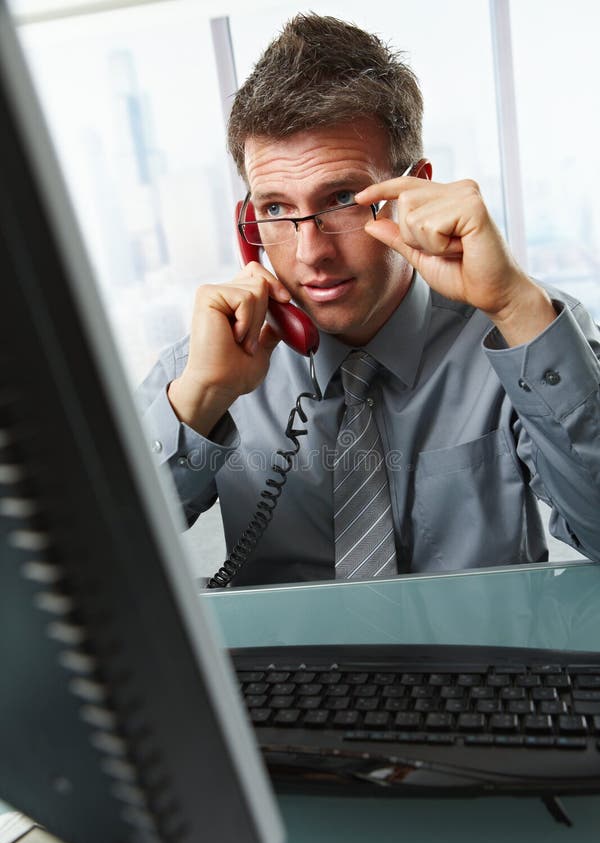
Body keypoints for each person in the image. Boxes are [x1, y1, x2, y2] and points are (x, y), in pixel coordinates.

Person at [138, 13, 600, 587]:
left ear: (415, 191)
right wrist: (203, 397)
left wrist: (512, 307)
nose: (310, 253)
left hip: (483, 647)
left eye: (341, 199)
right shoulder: (204, 365)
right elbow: (91, 559)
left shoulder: (529, 333)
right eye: (276, 208)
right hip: (291, 651)